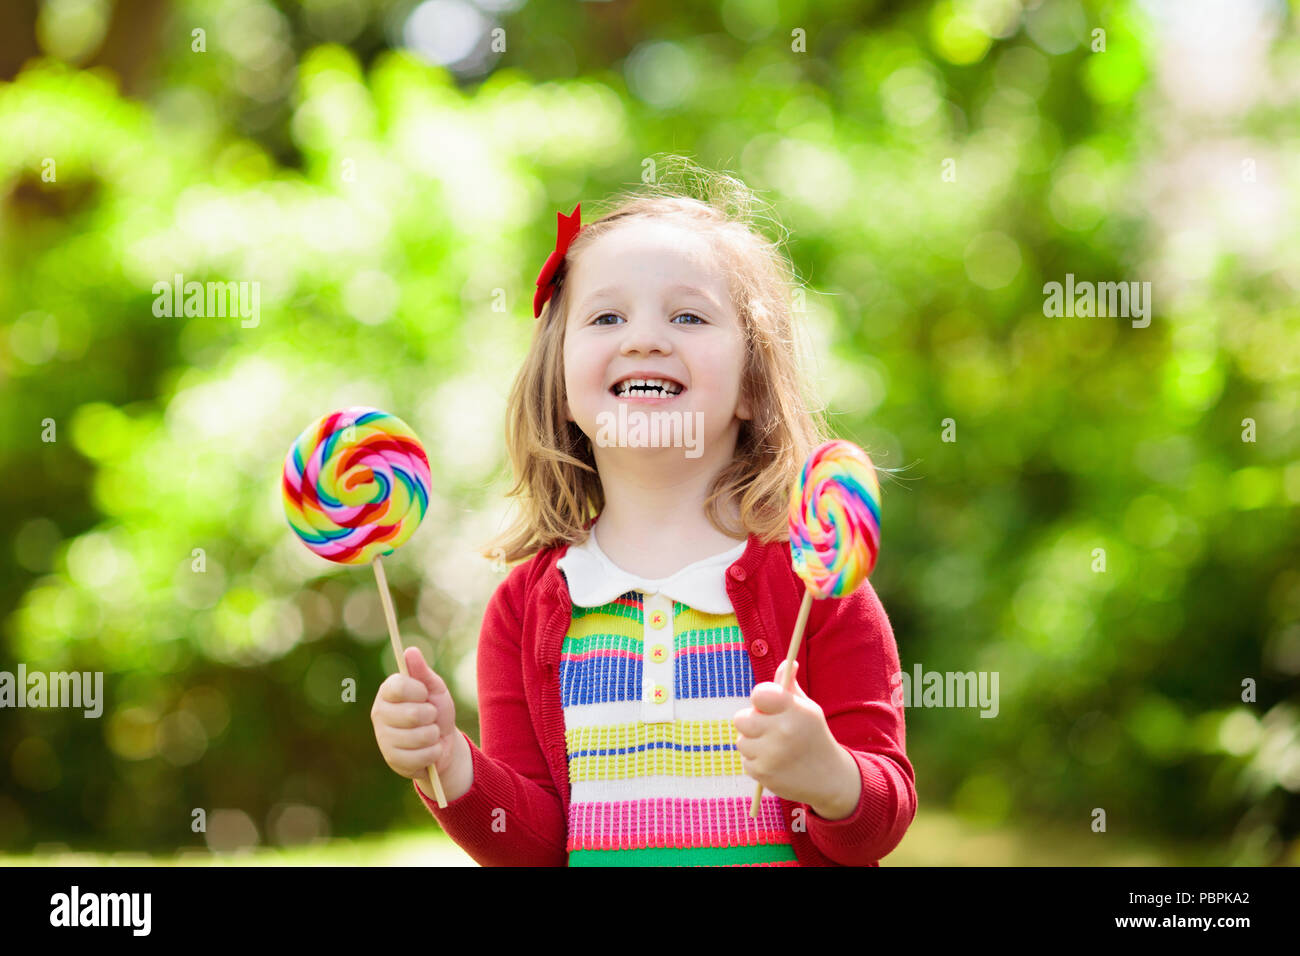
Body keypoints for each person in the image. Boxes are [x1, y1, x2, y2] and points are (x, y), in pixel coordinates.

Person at [371, 161, 916, 866]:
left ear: (750, 384)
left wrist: (831, 778)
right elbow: (534, 844)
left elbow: (885, 815)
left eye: (688, 316)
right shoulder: (524, 608)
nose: (644, 339)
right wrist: (449, 764)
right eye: (606, 317)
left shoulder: (818, 583)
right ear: (561, 387)